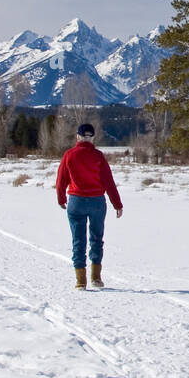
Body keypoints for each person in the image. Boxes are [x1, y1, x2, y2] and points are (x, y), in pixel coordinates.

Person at [55, 123, 123, 289]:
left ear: (77, 136)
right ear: (92, 137)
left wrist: (61, 198)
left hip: (76, 201)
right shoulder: (98, 156)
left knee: (78, 240)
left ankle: (80, 281)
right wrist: (117, 204)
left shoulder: (69, 155)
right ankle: (96, 278)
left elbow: (61, 180)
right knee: (96, 239)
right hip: (97, 202)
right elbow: (108, 182)